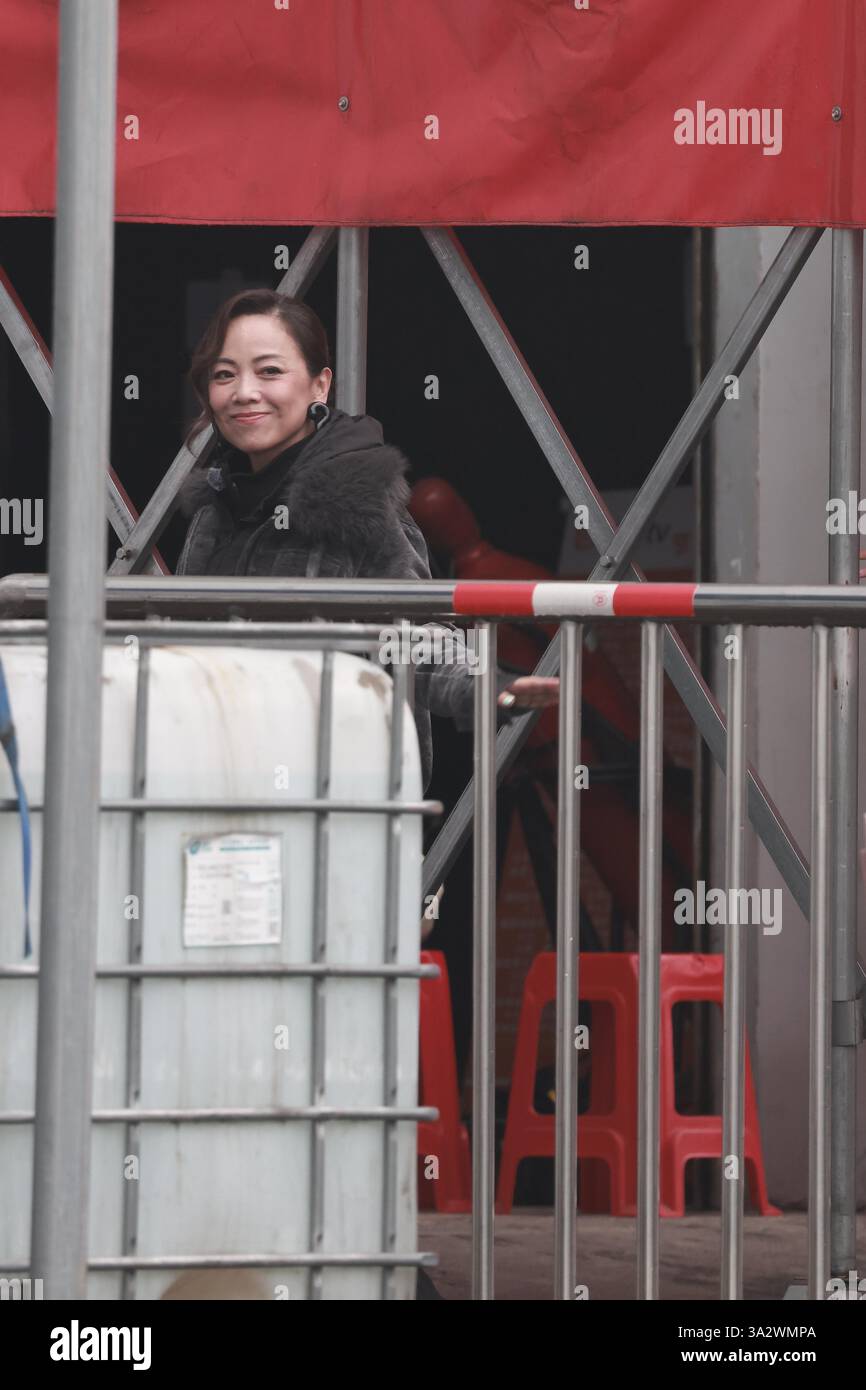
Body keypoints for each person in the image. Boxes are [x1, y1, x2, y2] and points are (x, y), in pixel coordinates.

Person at [177, 288, 559, 788]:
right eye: (225, 374)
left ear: (320, 385)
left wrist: (484, 686)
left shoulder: (357, 503)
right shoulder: (214, 508)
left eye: (269, 371)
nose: (244, 392)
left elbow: (411, 638)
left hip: (333, 796)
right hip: (215, 777)